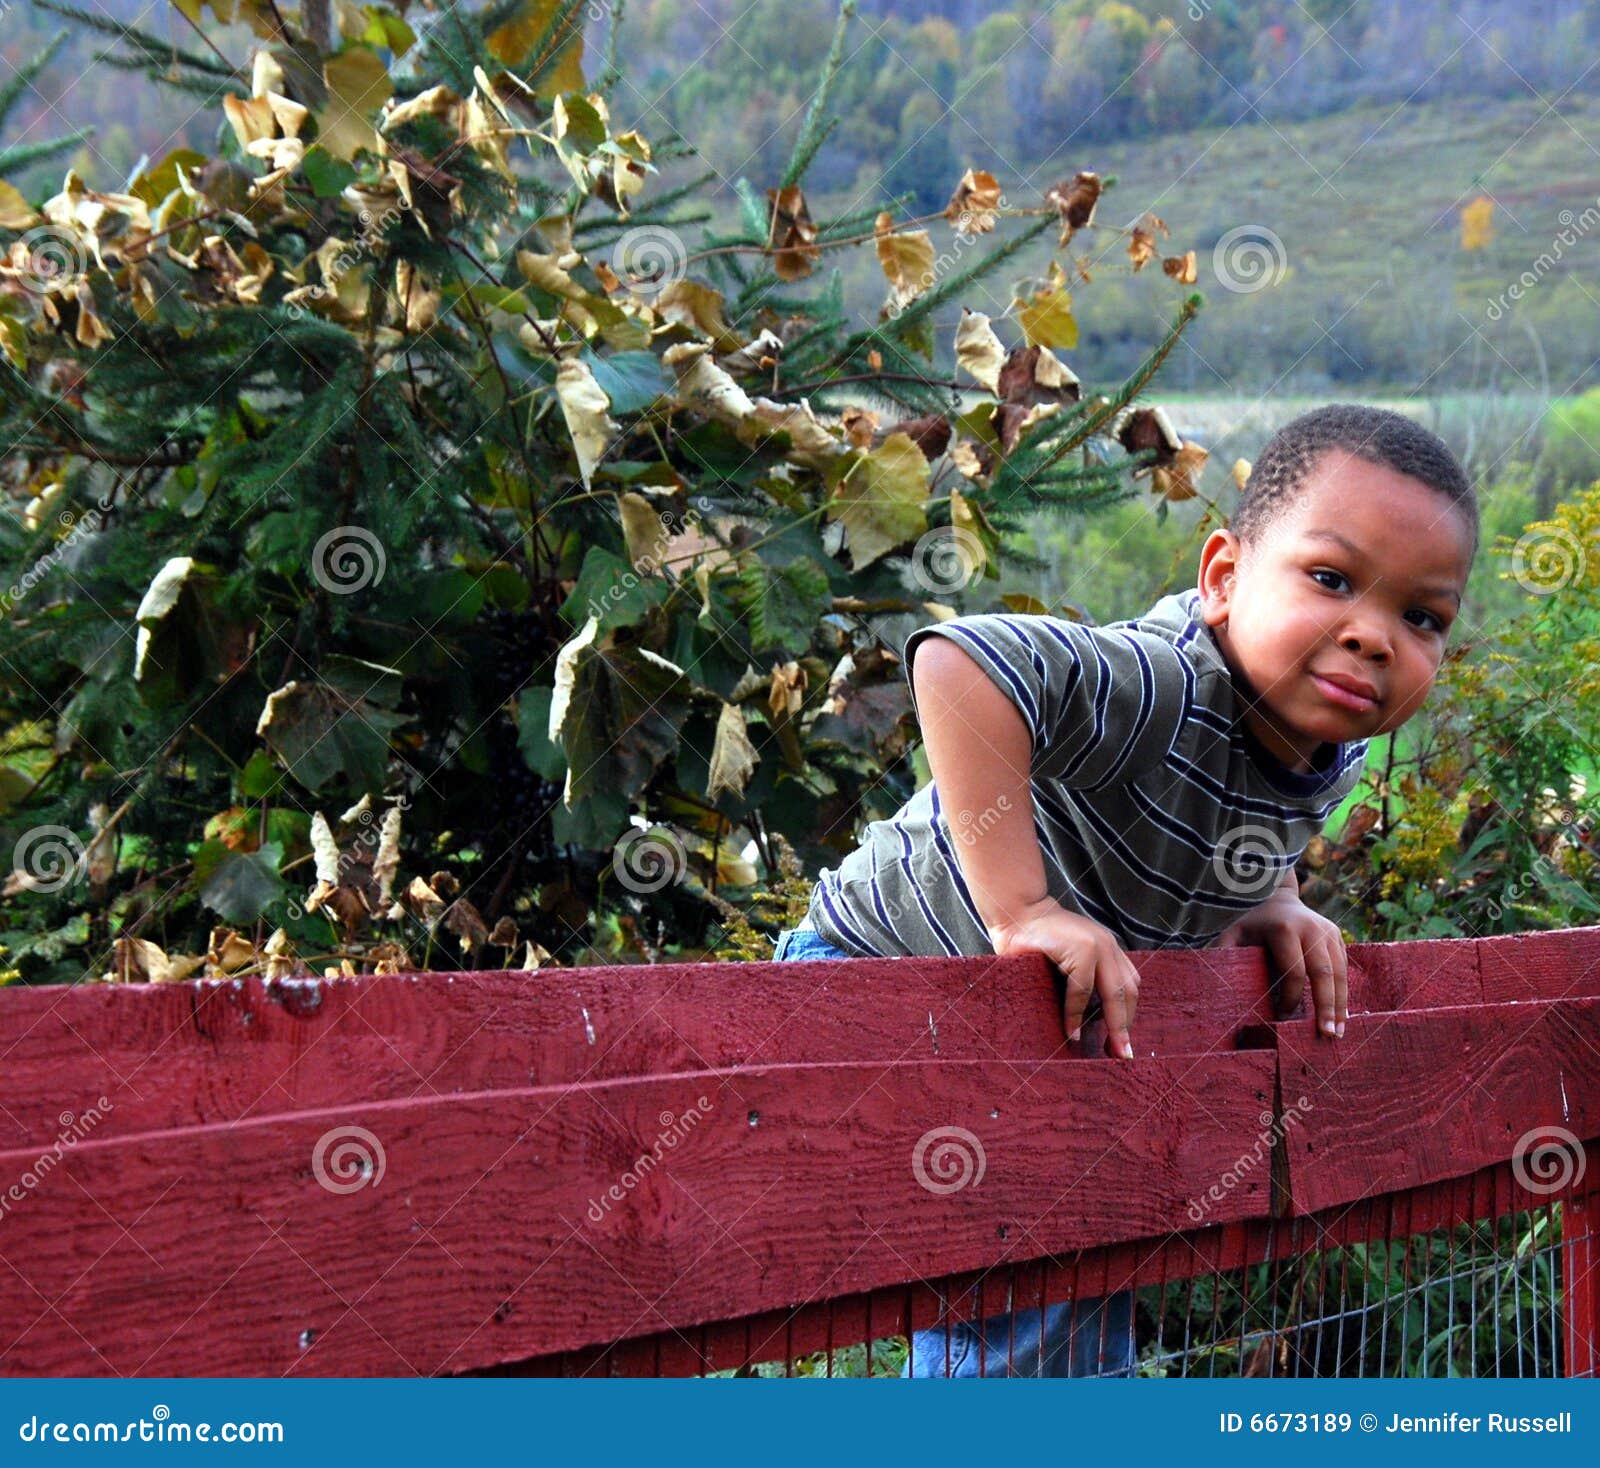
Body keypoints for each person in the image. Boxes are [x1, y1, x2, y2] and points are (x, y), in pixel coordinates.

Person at [769, 403, 1480, 1377]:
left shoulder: (1326, 749)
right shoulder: (1156, 686)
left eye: (1420, 617)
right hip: (864, 984)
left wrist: (1265, 895)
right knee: (1032, 1296)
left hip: (1015, 1035)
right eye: (1330, 579)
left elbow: (1235, 802)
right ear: (1224, 579)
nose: (1371, 636)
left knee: (1073, 1280)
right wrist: (1022, 908)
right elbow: (961, 663)